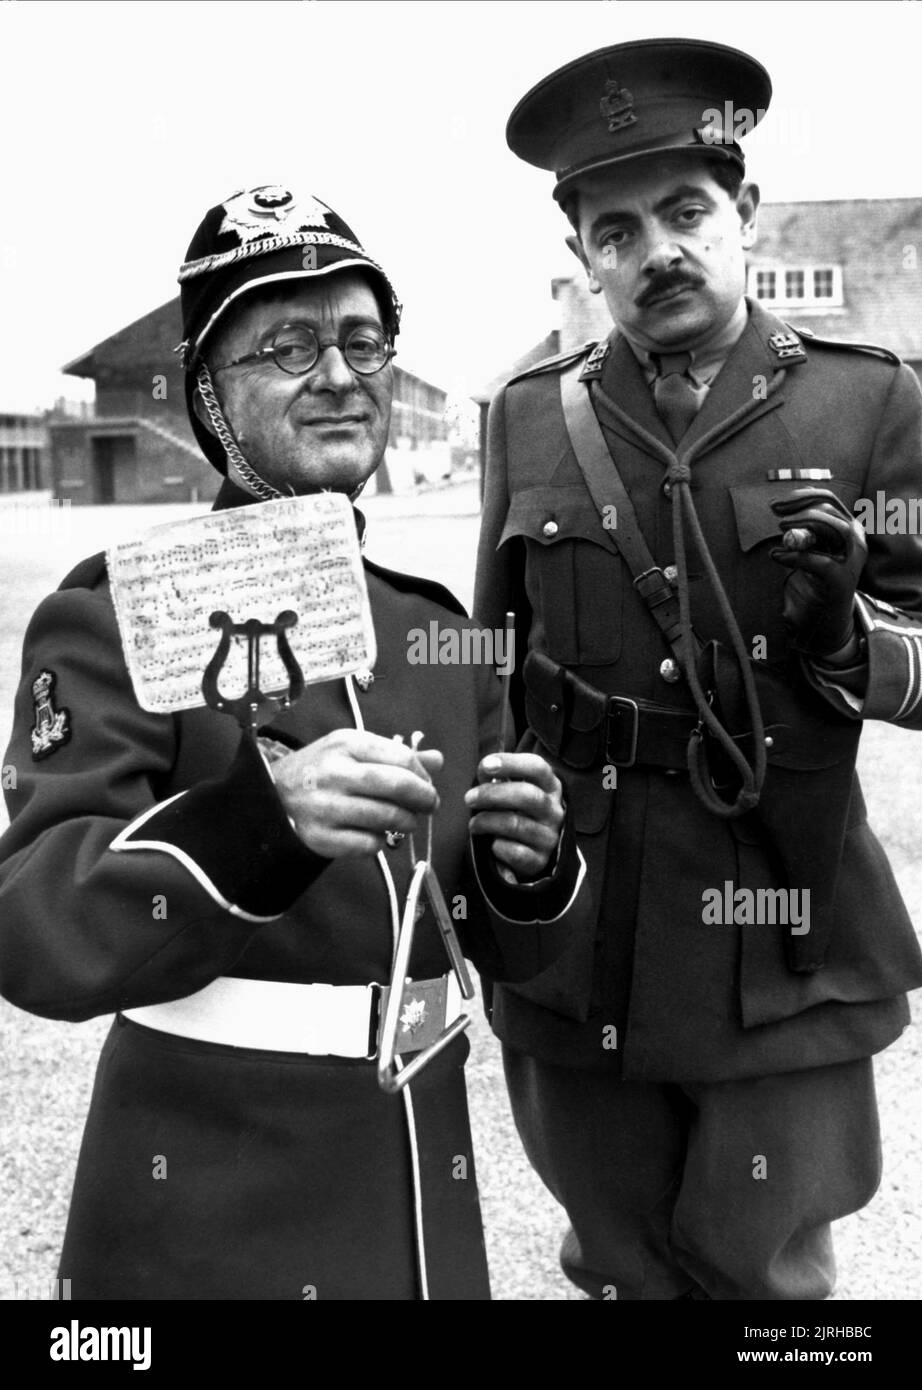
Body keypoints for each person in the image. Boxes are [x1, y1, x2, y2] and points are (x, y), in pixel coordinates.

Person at [0, 184, 588, 1301]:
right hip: (210, 1199)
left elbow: (498, 947)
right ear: (209, 400)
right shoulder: (120, 610)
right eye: (288, 345)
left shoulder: (440, 630)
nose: (338, 375)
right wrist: (255, 826)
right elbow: (31, 928)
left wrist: (534, 869)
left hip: (423, 1176)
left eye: (362, 343)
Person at [473, 39, 922, 1301]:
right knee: (613, 1265)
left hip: (779, 928)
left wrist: (852, 646)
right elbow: (489, 670)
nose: (653, 250)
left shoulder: (869, 407)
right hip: (582, 932)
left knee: (762, 1278)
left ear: (745, 216)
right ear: (581, 258)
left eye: (684, 213)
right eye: (614, 230)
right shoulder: (525, 415)